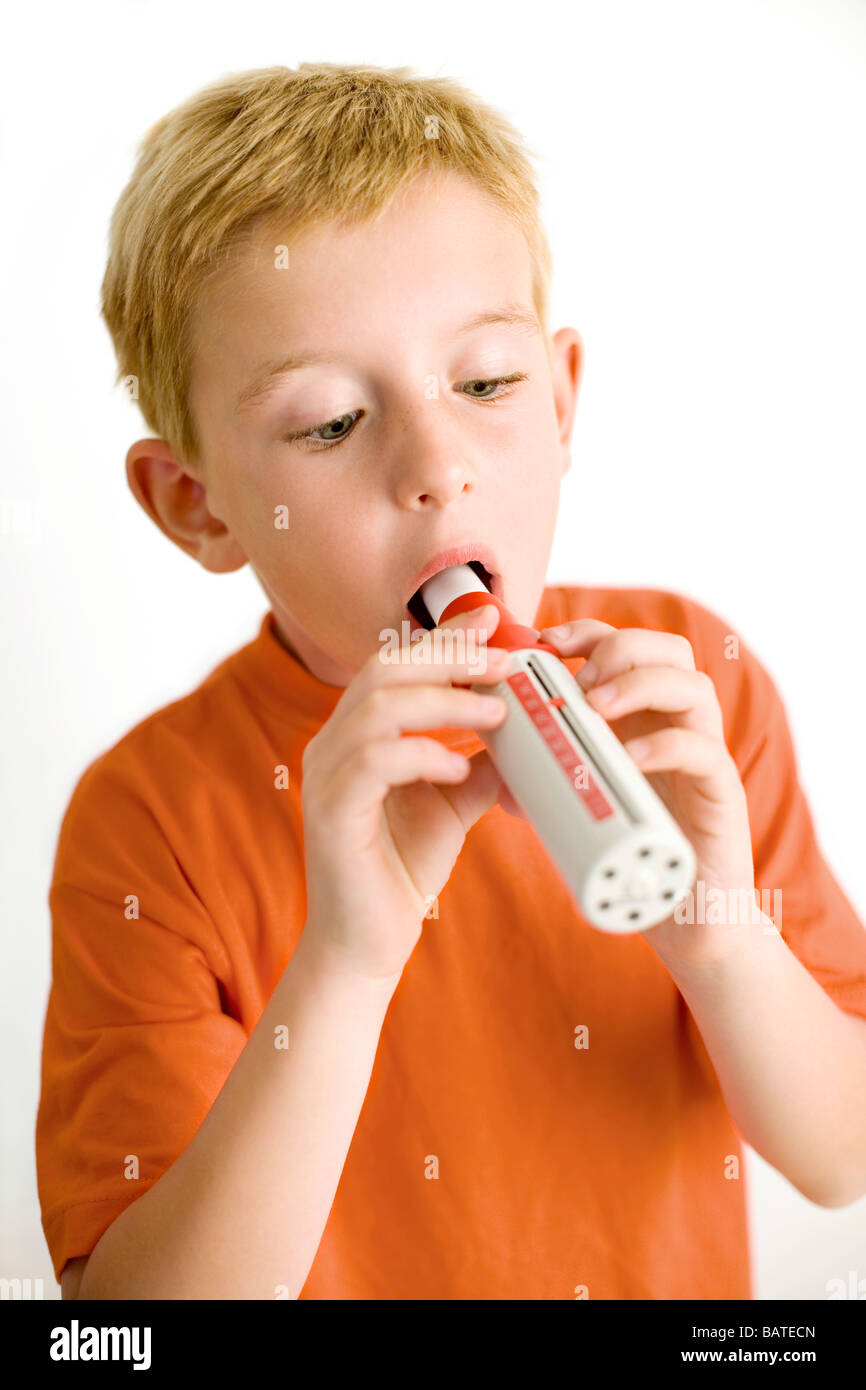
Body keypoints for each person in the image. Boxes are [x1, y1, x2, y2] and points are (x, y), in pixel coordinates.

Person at [37, 62, 866, 1301]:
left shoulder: (682, 700)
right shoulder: (149, 817)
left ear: (564, 398)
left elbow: (839, 1156)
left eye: (484, 383)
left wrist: (718, 939)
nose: (437, 466)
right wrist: (345, 965)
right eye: (327, 423)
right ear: (197, 505)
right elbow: (134, 1326)